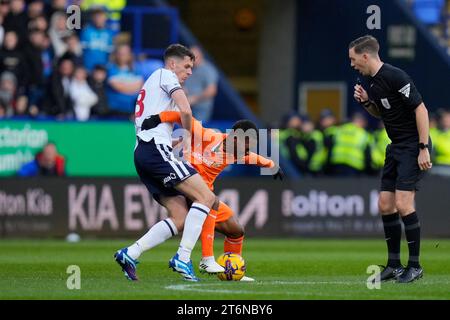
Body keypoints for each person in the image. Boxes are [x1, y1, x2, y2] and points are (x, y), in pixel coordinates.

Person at [114, 44, 217, 282]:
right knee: (207, 197)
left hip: (144, 151)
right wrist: (189, 137)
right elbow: (186, 110)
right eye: (187, 66)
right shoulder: (165, 75)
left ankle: (130, 252)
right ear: (172, 63)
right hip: (154, 150)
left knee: (180, 215)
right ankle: (183, 257)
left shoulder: (155, 86)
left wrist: (177, 143)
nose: (190, 72)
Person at [141, 111, 284, 281]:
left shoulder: (236, 153)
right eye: (246, 147)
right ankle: (206, 259)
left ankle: (232, 269)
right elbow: (182, 116)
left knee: (236, 230)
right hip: (187, 189)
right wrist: (158, 118)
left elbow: (254, 158)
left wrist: (272, 165)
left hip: (203, 195)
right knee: (211, 201)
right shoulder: (207, 136)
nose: (247, 151)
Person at [350, 35, 432, 283]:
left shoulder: (396, 76)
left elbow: (421, 109)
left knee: (404, 204)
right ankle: (394, 265)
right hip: (395, 147)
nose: (352, 64)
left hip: (411, 147)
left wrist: (423, 147)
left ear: (366, 56)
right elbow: (382, 113)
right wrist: (366, 102)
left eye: (353, 59)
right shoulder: (373, 84)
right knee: (386, 205)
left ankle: (415, 266)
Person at [183, 46, 218, 122]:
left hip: (201, 109)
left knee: (197, 132)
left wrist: (194, 99)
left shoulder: (208, 70)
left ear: (200, 56)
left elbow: (212, 90)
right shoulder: (189, 68)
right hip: (187, 108)